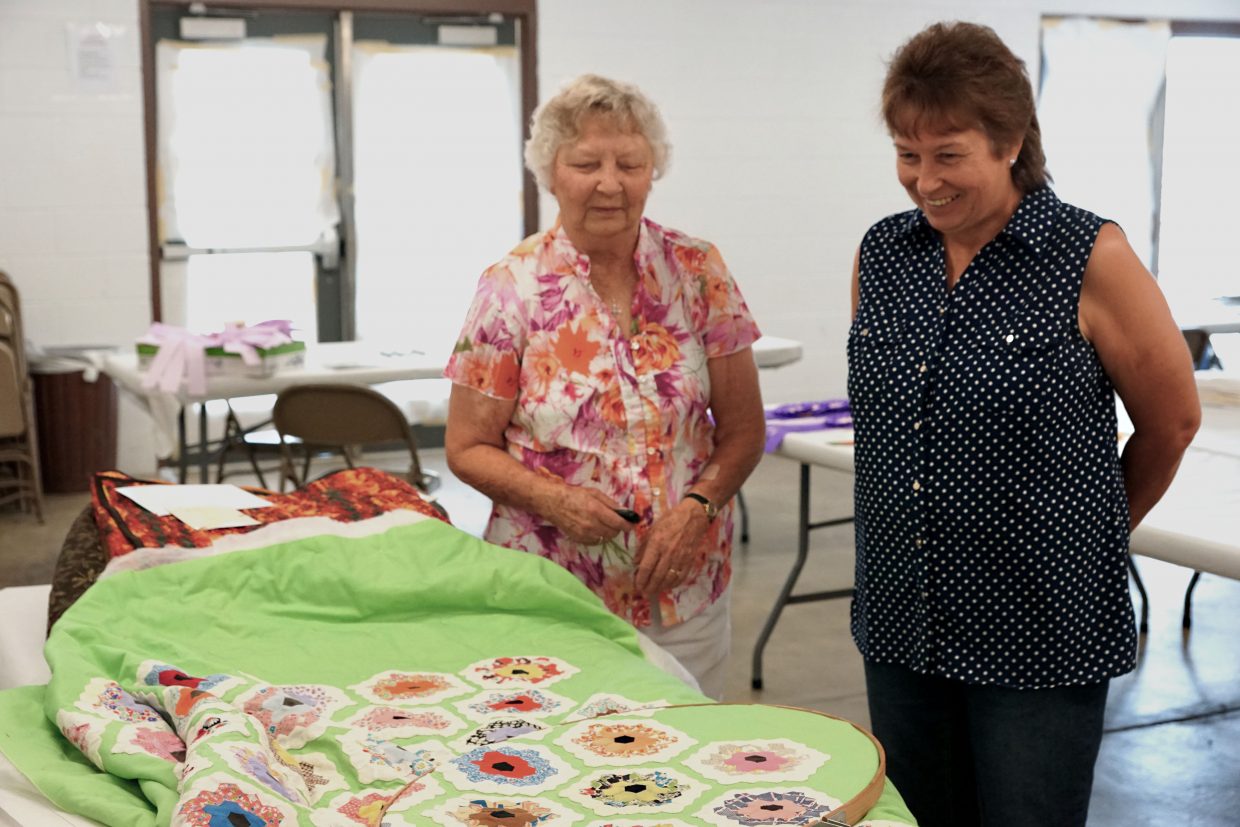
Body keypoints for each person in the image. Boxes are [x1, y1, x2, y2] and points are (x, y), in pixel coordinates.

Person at [848, 21, 1200, 827]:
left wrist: (1092, 530)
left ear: (1009, 141)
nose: (924, 181)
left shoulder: (1088, 254)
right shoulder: (884, 254)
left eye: (948, 154)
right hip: (906, 617)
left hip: (1041, 627)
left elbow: (1173, 420)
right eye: (907, 153)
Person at [443, 74, 765, 700]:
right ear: (551, 173)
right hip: (554, 599)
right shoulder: (510, 289)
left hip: (685, 594)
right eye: (586, 163)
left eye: (631, 163)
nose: (610, 182)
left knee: (689, 758)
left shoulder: (699, 271)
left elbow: (746, 431)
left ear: (653, 171)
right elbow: (466, 447)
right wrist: (555, 501)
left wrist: (699, 507)